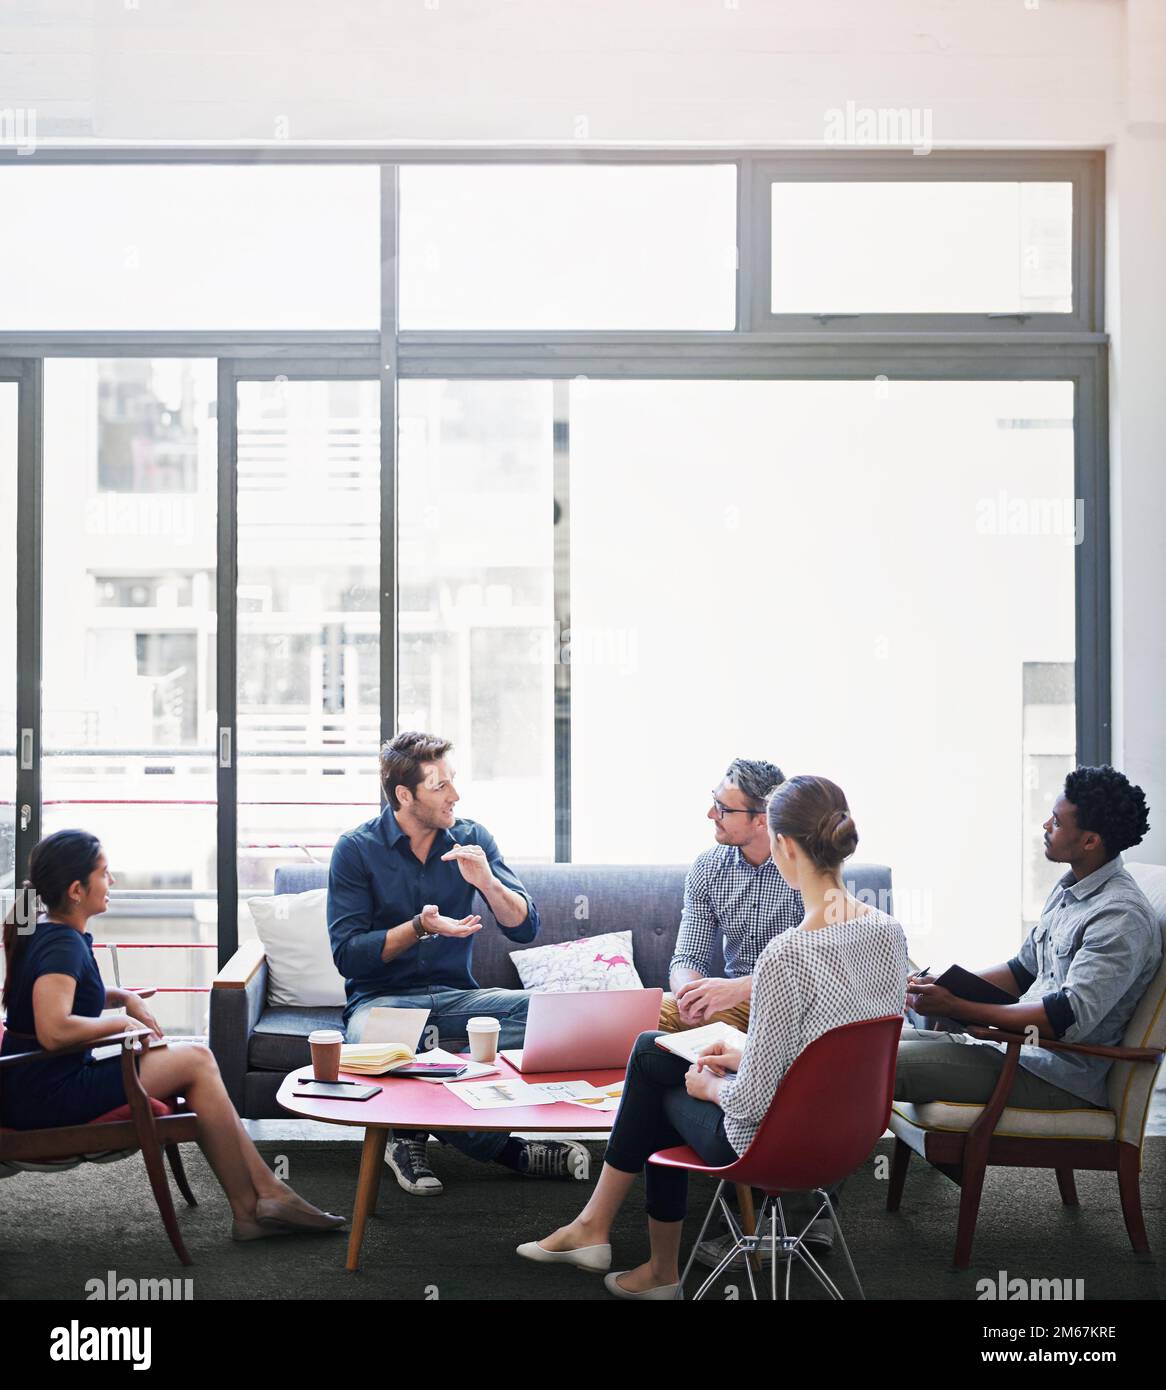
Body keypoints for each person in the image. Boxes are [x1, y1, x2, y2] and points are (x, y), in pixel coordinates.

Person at [517, 776, 909, 1299]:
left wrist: (710, 1088)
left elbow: (748, 1105)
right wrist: (745, 1052)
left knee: (656, 1075)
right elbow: (830, 1044)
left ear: (783, 845)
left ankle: (649, 1264)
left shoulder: (786, 955)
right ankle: (607, 1239)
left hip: (771, 1143)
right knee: (657, 1054)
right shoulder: (886, 931)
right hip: (852, 1136)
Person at [0, 830, 345, 1243]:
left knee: (197, 1062)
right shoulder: (62, 944)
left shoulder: (48, 931)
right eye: (105, 874)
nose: (113, 882)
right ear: (77, 890)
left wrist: (121, 996)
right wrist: (121, 1024)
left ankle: (258, 1205)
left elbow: (60, 995)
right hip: (46, 1095)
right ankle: (265, 1197)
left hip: (36, 1084)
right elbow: (54, 1031)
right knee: (197, 1060)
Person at [329, 730, 587, 1196]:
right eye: (439, 786)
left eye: (453, 781)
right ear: (404, 795)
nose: (455, 795)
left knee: (554, 1016)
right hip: (382, 1002)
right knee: (374, 1041)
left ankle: (405, 1131)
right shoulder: (356, 849)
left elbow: (524, 927)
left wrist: (487, 882)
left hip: (458, 1000)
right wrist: (419, 928)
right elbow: (348, 955)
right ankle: (509, 1151)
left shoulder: (472, 838)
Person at [897, 766, 1160, 1112]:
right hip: (1013, 1052)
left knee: (870, 1065)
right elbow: (1022, 971)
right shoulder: (1071, 887)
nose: (1045, 827)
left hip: (1052, 1076)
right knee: (867, 1043)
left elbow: (1064, 1018)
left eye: (1057, 821)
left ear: (1090, 841)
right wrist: (947, 986)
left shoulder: (1121, 916)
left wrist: (957, 1007)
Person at [661, 758, 803, 1035]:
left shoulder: (804, 869)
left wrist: (736, 990)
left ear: (762, 820)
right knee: (649, 1016)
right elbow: (688, 957)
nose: (711, 814)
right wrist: (690, 996)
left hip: (794, 1006)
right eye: (715, 801)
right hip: (732, 1009)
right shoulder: (707, 868)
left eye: (723, 809)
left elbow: (815, 965)